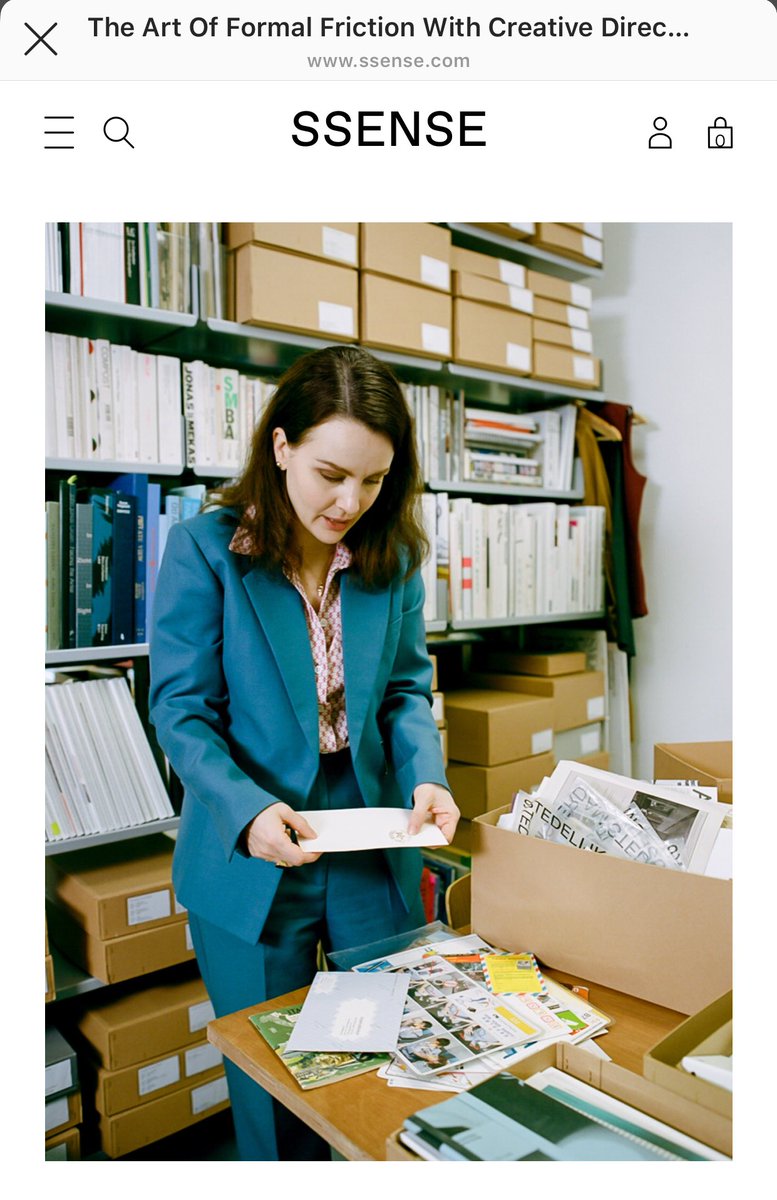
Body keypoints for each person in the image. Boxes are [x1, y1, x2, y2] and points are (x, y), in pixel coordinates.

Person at [149, 344, 459, 1160]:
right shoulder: (206, 549)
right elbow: (181, 711)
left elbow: (402, 693)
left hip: (370, 837)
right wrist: (247, 811)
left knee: (386, 1066)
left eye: (373, 480)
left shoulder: (392, 558)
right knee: (274, 1086)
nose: (350, 501)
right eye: (331, 474)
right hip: (250, 843)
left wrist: (426, 778)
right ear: (281, 446)